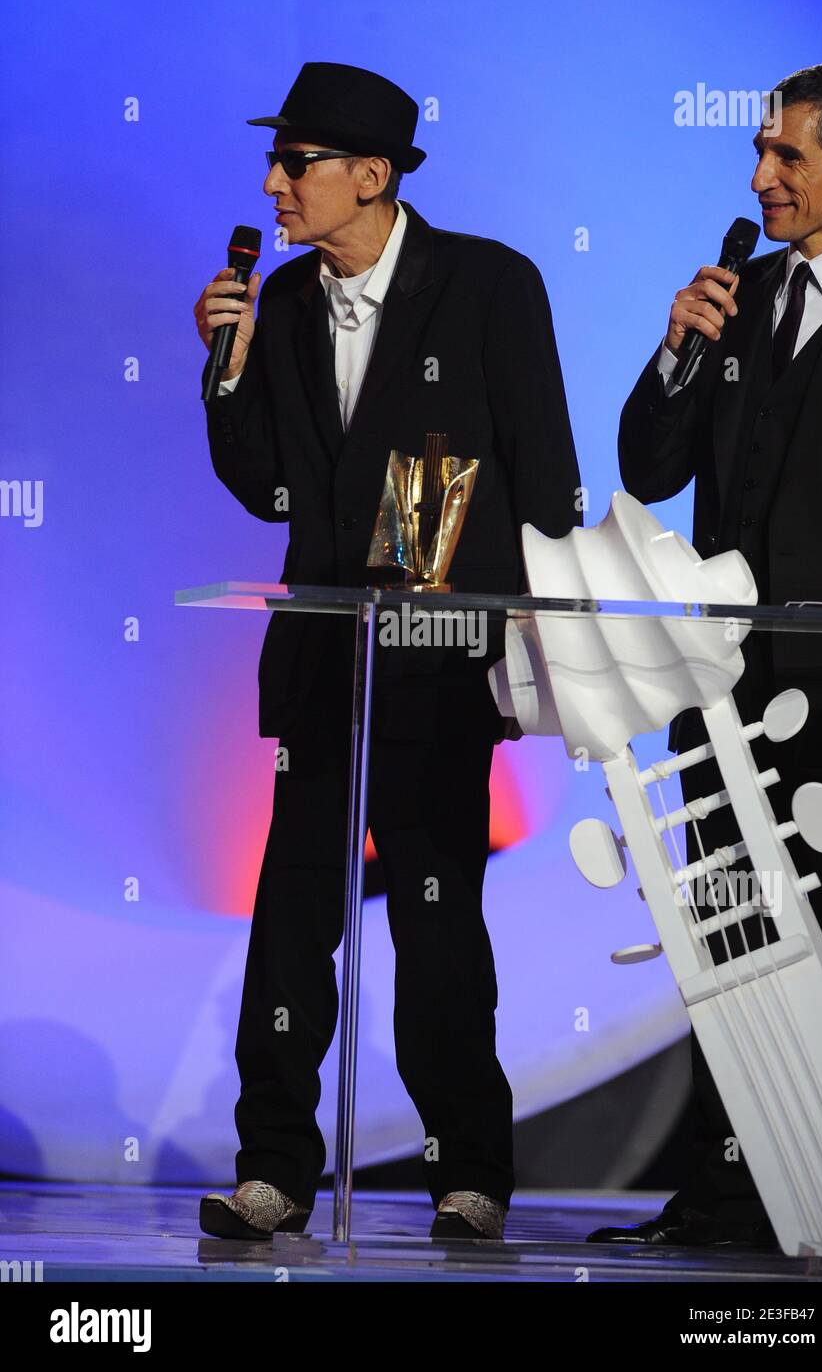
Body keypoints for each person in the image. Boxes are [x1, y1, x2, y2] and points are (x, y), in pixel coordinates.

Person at [192, 62, 582, 1240]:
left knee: (434, 913)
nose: (274, 185)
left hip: (436, 662)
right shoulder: (292, 304)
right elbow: (266, 490)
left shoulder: (486, 283)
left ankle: (468, 1168)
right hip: (324, 657)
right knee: (292, 911)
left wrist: (498, 622)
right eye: (275, 162)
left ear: (373, 176)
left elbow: (546, 475)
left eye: (295, 164)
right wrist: (227, 369)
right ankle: (272, 1169)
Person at [589, 62, 822, 1248]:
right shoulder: (738, 297)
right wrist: (675, 350)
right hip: (726, 697)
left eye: (788, 159)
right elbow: (648, 470)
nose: (760, 178)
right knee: (728, 939)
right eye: (758, 151)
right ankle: (725, 1194)